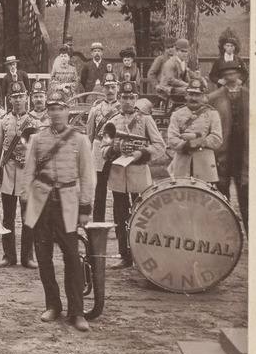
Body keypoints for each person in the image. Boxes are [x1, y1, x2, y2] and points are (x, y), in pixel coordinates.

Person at [18, 89, 97, 333]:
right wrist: (25, 201)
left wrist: (85, 207)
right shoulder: (38, 138)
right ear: (48, 112)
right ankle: (52, 305)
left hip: (68, 203)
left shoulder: (80, 139)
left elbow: (87, 175)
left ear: (67, 111)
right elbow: (29, 171)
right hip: (41, 203)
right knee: (43, 257)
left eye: (60, 109)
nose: (56, 113)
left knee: (72, 257)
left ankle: (77, 311)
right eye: (52, 109)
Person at [102, 80, 166, 269]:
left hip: (138, 174)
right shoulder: (113, 120)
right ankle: (125, 255)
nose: (127, 101)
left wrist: (141, 153)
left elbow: (160, 145)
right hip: (118, 176)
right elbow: (103, 150)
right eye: (124, 97)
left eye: (131, 97)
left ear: (136, 98)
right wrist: (113, 149)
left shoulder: (145, 119)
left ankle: (143, 255)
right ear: (119, 98)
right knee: (120, 217)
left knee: (142, 217)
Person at [0, 81, 37, 269]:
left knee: (28, 216)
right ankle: (9, 255)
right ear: (9, 99)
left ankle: (28, 257)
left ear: (27, 98)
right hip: (9, 172)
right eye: (14, 97)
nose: (18, 100)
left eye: (21, 96)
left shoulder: (34, 122)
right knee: (8, 216)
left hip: (27, 174)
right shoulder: (3, 122)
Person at [207, 60, 249, 231]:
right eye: (226, 74)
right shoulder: (214, 98)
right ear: (222, 77)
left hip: (244, 155)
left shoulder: (250, 96)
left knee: (246, 198)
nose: (230, 77)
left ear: (239, 75)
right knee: (222, 199)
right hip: (222, 155)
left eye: (233, 73)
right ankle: (226, 237)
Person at [166, 76, 224, 183]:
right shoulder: (177, 114)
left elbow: (217, 139)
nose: (194, 98)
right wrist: (187, 145)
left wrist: (196, 140)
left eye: (197, 95)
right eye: (191, 94)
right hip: (182, 163)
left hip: (205, 164)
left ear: (203, 96)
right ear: (186, 95)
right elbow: (172, 139)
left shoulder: (212, 114)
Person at [85, 72, 121, 224]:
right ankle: (98, 223)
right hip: (99, 149)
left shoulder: (123, 108)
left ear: (118, 88)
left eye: (113, 87)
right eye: (107, 87)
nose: (110, 91)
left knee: (119, 190)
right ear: (103, 89)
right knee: (99, 189)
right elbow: (90, 134)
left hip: (117, 149)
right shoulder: (96, 109)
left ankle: (119, 224)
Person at [158, 38, 192, 106]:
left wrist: (195, 81)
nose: (184, 54)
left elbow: (187, 75)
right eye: (182, 51)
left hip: (176, 87)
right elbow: (170, 80)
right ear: (176, 51)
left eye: (186, 52)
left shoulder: (183, 62)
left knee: (195, 90)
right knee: (189, 91)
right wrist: (186, 84)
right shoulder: (171, 63)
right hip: (168, 88)